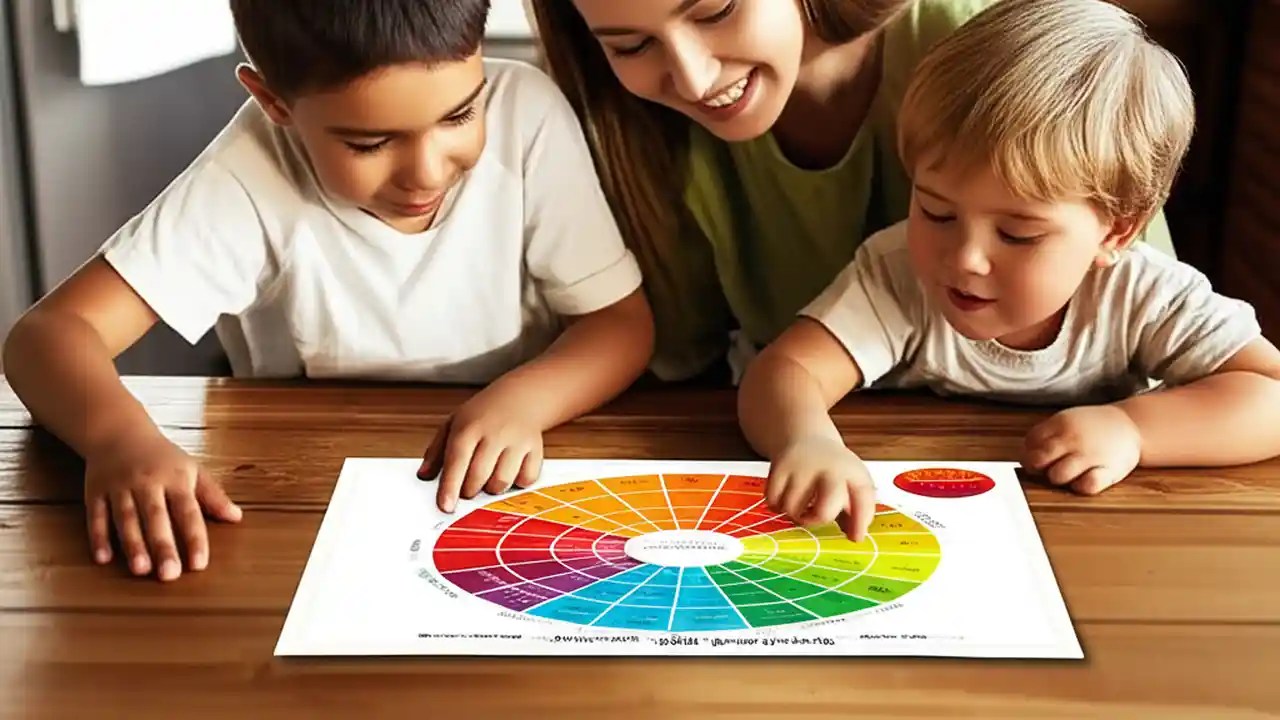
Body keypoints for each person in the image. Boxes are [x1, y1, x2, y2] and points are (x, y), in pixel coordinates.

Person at [0, 0, 654, 582]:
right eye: (370, 142)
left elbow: (619, 324)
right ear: (275, 103)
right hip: (304, 489)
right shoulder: (247, 172)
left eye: (460, 114)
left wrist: (524, 401)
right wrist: (121, 440)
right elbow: (49, 336)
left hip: (517, 477)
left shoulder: (527, 112)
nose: (426, 172)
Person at [736, 0, 1280, 541]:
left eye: (1018, 234)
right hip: (922, 515)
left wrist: (1133, 430)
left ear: (1115, 232)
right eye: (937, 211)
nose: (965, 257)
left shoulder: (1145, 294)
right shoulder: (898, 271)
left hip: (1092, 535)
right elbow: (786, 372)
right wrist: (807, 439)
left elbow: (1270, 393)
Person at [527, 0, 1181, 383]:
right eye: (632, 44)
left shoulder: (989, 49)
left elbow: (1142, 326)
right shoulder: (633, 121)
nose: (693, 80)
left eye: (716, 9)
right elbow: (683, 371)